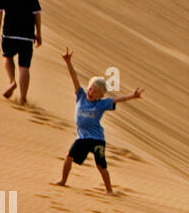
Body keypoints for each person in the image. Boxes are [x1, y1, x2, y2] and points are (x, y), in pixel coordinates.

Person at [53, 47, 144, 195]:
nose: (90, 92)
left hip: (97, 140)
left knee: (101, 165)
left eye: (95, 91)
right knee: (69, 156)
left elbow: (116, 99)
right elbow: (74, 78)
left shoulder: (101, 104)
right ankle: (63, 181)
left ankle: (109, 190)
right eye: (90, 89)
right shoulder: (81, 96)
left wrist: (132, 96)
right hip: (82, 138)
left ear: (100, 95)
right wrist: (68, 62)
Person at [0, 0, 42, 105]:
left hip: (9, 32)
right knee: (24, 66)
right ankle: (23, 98)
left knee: (7, 57)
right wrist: (38, 33)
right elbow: (37, 13)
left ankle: (12, 81)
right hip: (27, 35)